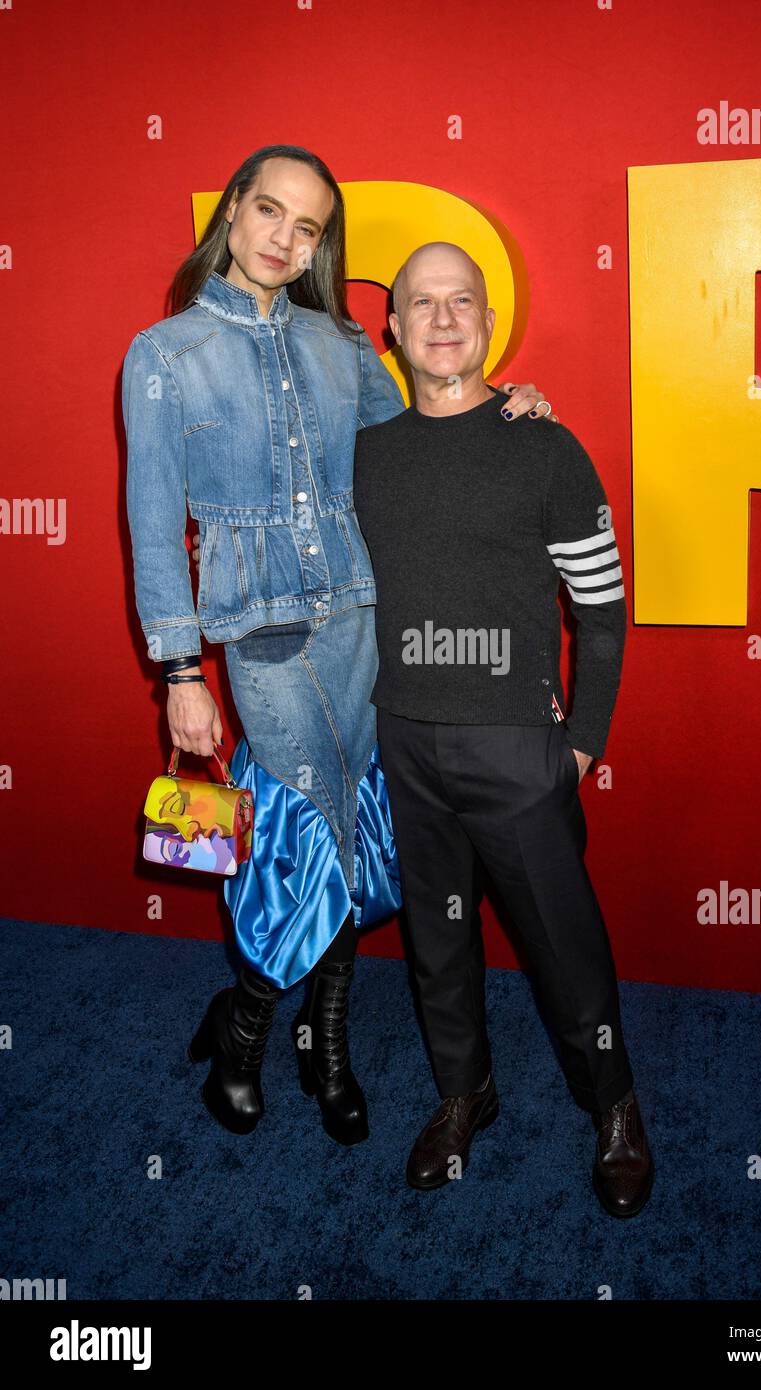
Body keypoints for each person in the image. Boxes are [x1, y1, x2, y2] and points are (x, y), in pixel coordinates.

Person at [123, 144, 556, 1144]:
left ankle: (319, 1045)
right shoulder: (164, 354)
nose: (283, 238)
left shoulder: (345, 345)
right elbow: (153, 527)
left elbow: (418, 451)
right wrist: (182, 673)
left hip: (368, 623)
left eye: (307, 225)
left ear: (322, 242)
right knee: (308, 833)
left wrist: (509, 406)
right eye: (268, 211)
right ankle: (248, 1030)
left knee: (356, 841)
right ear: (233, 212)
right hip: (265, 641)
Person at [352, 242, 654, 1216]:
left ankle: (613, 1105)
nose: (444, 319)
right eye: (422, 304)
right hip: (406, 739)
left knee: (564, 943)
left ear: (489, 321)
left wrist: (580, 744)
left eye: (463, 302)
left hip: (520, 748)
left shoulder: (545, 446)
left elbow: (603, 613)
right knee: (438, 942)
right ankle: (461, 1093)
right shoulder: (367, 451)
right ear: (391, 328)